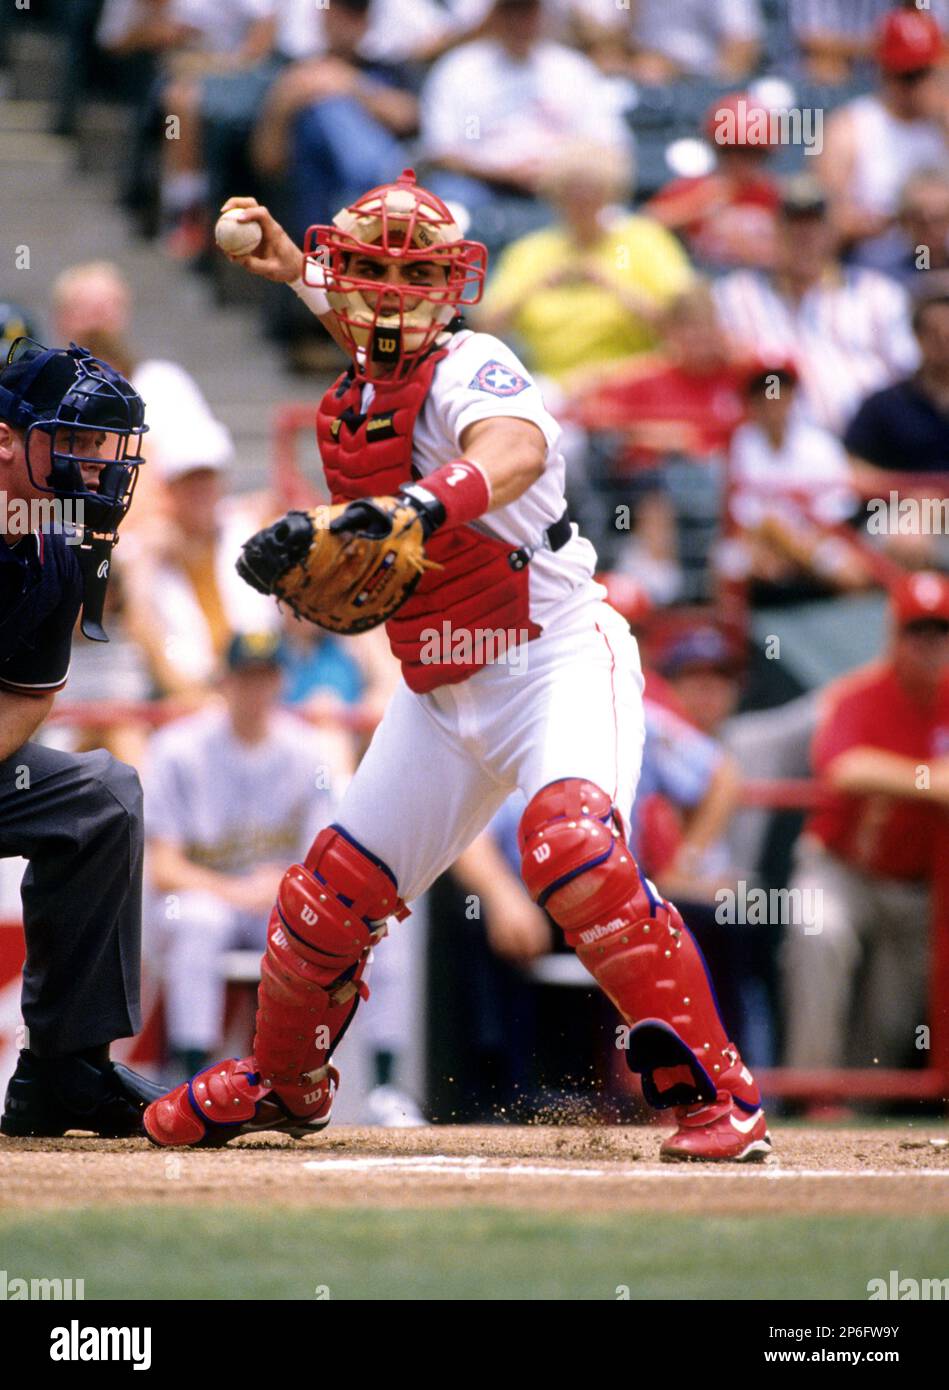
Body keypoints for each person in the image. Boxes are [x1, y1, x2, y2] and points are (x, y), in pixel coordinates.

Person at [143, 169, 770, 1162]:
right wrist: (293, 270)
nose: (392, 296)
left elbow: (513, 449)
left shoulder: (476, 360)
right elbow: (367, 314)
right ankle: (283, 1080)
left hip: (552, 654)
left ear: (456, 287)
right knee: (325, 897)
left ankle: (717, 1095)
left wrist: (421, 508)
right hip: (438, 688)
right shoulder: (351, 393)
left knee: (570, 848)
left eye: (413, 276)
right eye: (369, 274)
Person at [0, 337, 162, 1136]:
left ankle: (64, 1070)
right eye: (75, 444)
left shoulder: (57, 547)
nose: (95, 468)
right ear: (5, 440)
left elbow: (26, 701)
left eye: (102, 450)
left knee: (102, 795)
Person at [145, 632, 346, 1077]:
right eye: (245, 677)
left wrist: (279, 887)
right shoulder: (177, 748)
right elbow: (164, 869)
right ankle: (188, 1074)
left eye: (265, 677)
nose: (256, 690)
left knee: (328, 926)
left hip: (269, 901)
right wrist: (235, 890)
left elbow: (323, 864)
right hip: (199, 901)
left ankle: (300, 1078)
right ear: (224, 681)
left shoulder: (308, 750)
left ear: (281, 681)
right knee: (200, 918)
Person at [782, 570, 949, 1069]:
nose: (929, 644)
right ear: (893, 636)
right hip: (841, 869)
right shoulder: (858, 694)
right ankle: (811, 1091)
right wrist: (932, 781)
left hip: (914, 888)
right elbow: (842, 767)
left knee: (894, 1015)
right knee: (817, 933)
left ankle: (858, 1106)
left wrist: (896, 777)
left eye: (941, 631)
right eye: (916, 631)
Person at [419, 0, 632, 251]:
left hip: (561, 187)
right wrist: (506, 172)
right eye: (511, 11)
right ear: (494, 15)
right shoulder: (460, 68)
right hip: (481, 184)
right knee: (449, 199)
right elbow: (440, 151)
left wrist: (556, 171)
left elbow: (607, 144)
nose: (520, 21)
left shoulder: (572, 69)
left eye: (528, 12)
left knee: (609, 208)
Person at [477, 140, 693, 387]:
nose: (581, 201)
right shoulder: (530, 251)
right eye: (571, 191)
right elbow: (485, 327)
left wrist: (613, 285)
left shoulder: (643, 240)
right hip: (550, 385)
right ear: (555, 195)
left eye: (592, 190)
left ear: (610, 193)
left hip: (634, 381)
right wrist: (535, 287)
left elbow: (683, 323)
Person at [713, 174, 919, 434]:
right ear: (776, 229)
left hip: (869, 447)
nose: (805, 237)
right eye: (795, 225)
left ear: (833, 231)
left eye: (815, 225)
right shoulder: (734, 296)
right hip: (774, 451)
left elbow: (912, 376)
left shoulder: (879, 294)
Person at [818, 8, 949, 272]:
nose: (917, 86)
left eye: (924, 73)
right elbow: (825, 221)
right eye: (907, 76)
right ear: (884, 72)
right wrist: (899, 220)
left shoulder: (943, 122)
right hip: (876, 268)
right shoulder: (850, 127)